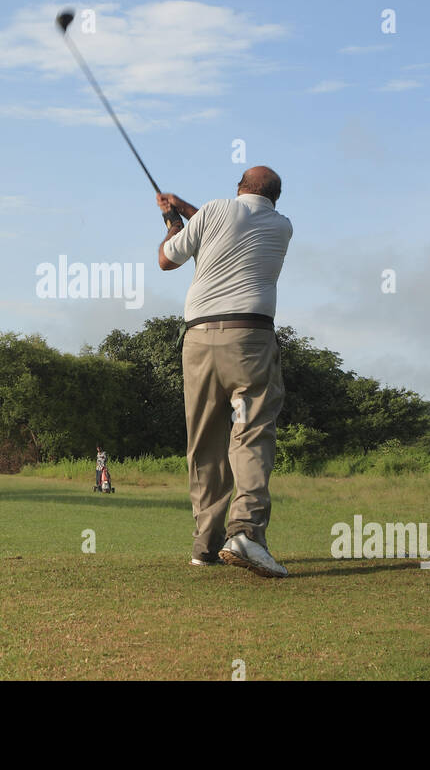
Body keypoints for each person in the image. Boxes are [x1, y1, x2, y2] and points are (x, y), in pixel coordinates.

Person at [157, 166, 292, 578]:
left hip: (198, 340)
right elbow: (229, 228)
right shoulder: (282, 226)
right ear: (275, 196)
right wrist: (184, 212)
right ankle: (246, 533)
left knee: (204, 441)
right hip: (249, 338)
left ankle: (206, 543)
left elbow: (167, 259)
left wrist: (171, 221)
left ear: (239, 188)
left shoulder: (215, 210)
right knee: (250, 432)